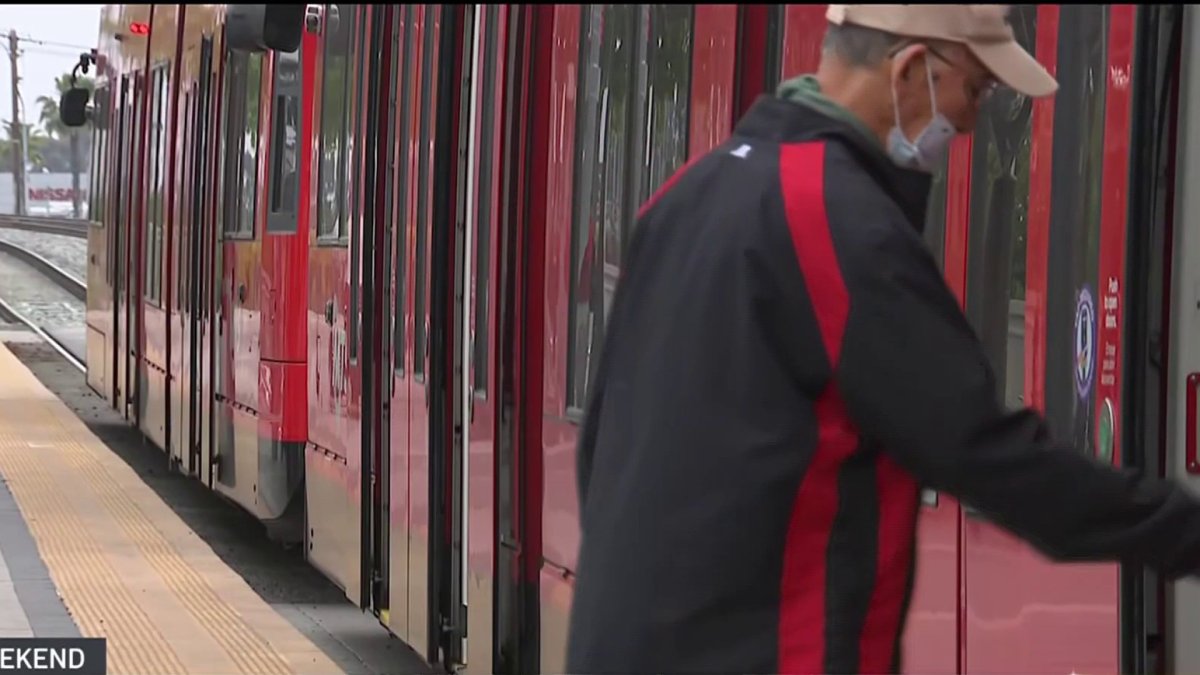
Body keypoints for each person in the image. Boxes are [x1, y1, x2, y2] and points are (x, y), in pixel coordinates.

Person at [565, 5, 1200, 675]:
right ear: (911, 70)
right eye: (976, 89)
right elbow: (990, 456)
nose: (972, 120)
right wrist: (1184, 529)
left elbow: (602, 450)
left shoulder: (682, 198)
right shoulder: (841, 228)